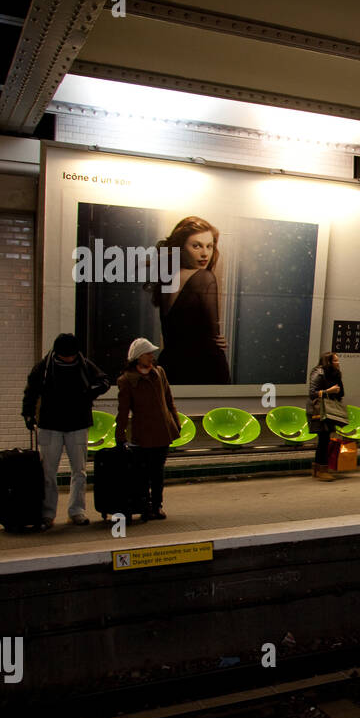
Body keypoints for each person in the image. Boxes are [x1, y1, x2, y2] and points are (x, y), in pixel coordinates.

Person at [22, 333, 111, 528]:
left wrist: (91, 391)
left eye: (71, 355)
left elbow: (104, 381)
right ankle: (47, 513)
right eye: (66, 356)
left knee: (79, 471)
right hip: (50, 424)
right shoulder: (45, 367)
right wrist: (28, 414)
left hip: (78, 424)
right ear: (57, 353)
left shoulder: (84, 364)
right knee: (48, 472)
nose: (69, 359)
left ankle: (76, 511)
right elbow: (31, 391)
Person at [147, 216, 231, 385]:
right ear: (180, 248)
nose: (205, 253)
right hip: (200, 368)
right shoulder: (204, 278)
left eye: (209, 246)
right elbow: (213, 339)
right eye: (196, 245)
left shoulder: (167, 279)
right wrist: (218, 341)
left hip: (170, 366)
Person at [115, 338, 181, 521]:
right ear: (137, 357)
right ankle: (144, 504)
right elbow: (123, 410)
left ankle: (156, 504)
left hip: (162, 429)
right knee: (143, 472)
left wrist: (176, 422)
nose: (152, 356)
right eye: (148, 353)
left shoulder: (159, 373)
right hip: (142, 432)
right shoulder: (127, 380)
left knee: (157, 471)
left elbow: (169, 400)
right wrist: (119, 434)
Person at [307, 351, 344, 482]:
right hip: (318, 411)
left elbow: (341, 392)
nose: (338, 363)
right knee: (323, 440)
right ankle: (321, 470)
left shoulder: (335, 374)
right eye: (335, 360)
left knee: (325, 440)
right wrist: (329, 391)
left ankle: (319, 469)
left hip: (330, 410)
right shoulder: (318, 372)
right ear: (328, 362)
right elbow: (312, 394)